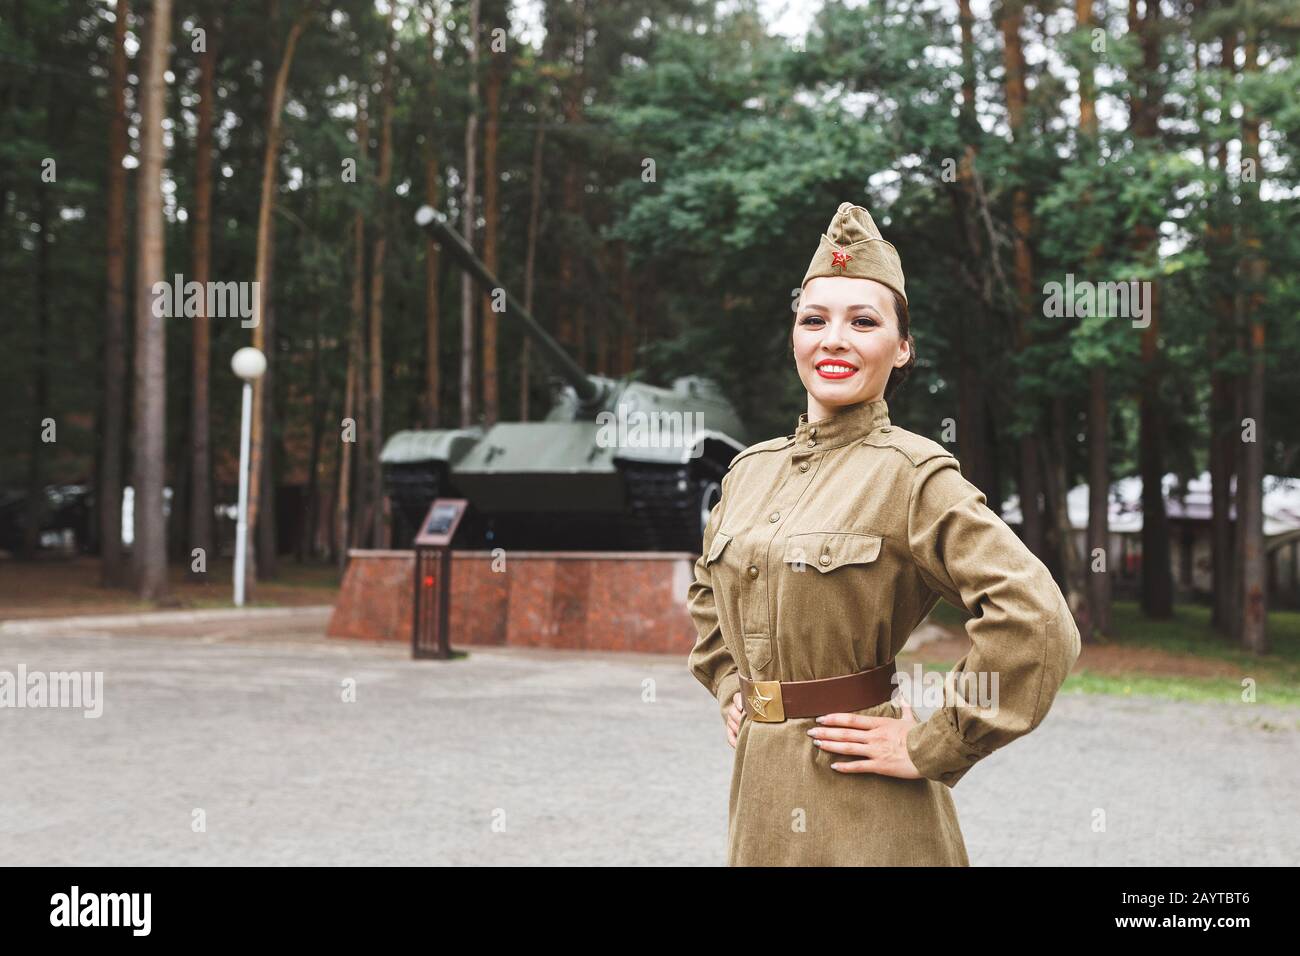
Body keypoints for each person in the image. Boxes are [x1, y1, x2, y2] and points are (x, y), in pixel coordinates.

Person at [686, 201, 1082, 865]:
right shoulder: (749, 473)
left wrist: (934, 743)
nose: (833, 339)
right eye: (814, 320)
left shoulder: (911, 473)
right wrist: (732, 685)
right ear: (794, 337)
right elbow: (707, 593)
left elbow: (1037, 623)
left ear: (901, 348)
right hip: (759, 798)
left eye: (863, 321)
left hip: (864, 806)